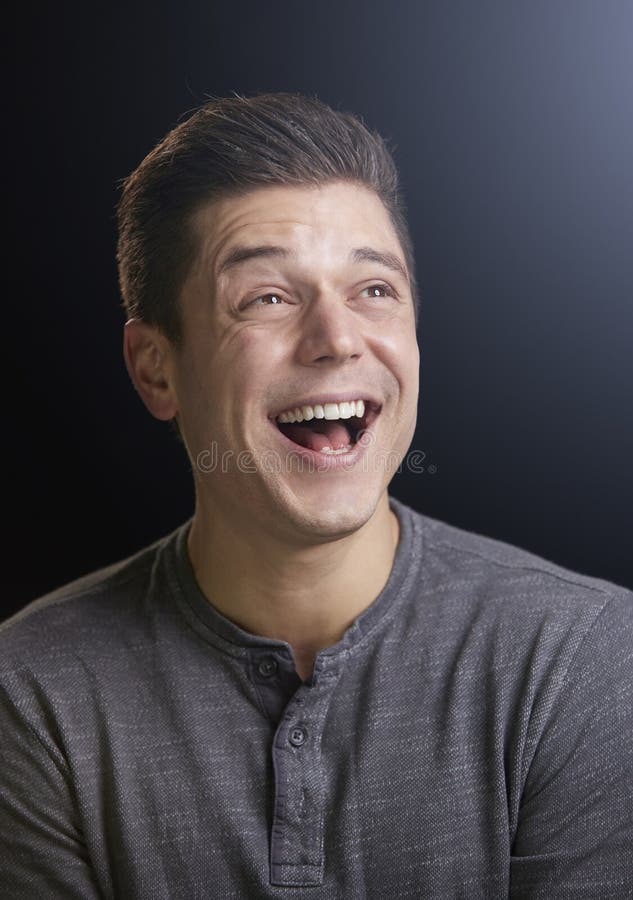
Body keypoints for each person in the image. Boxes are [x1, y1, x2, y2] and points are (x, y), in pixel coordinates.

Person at [1, 93, 631, 900]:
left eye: (374, 290)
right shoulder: (31, 695)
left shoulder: (582, 661)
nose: (337, 339)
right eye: (267, 297)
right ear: (156, 367)